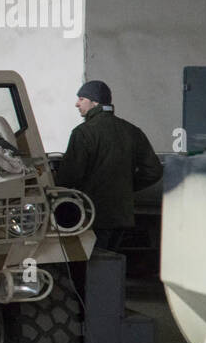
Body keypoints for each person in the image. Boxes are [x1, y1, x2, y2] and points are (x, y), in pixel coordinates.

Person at [56, 80, 163, 253]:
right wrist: (126, 187)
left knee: (89, 265)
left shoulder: (83, 133)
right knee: (110, 263)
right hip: (122, 216)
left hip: (91, 215)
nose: (77, 104)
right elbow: (154, 171)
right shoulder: (132, 131)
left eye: (82, 98)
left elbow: (69, 178)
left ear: (95, 102)